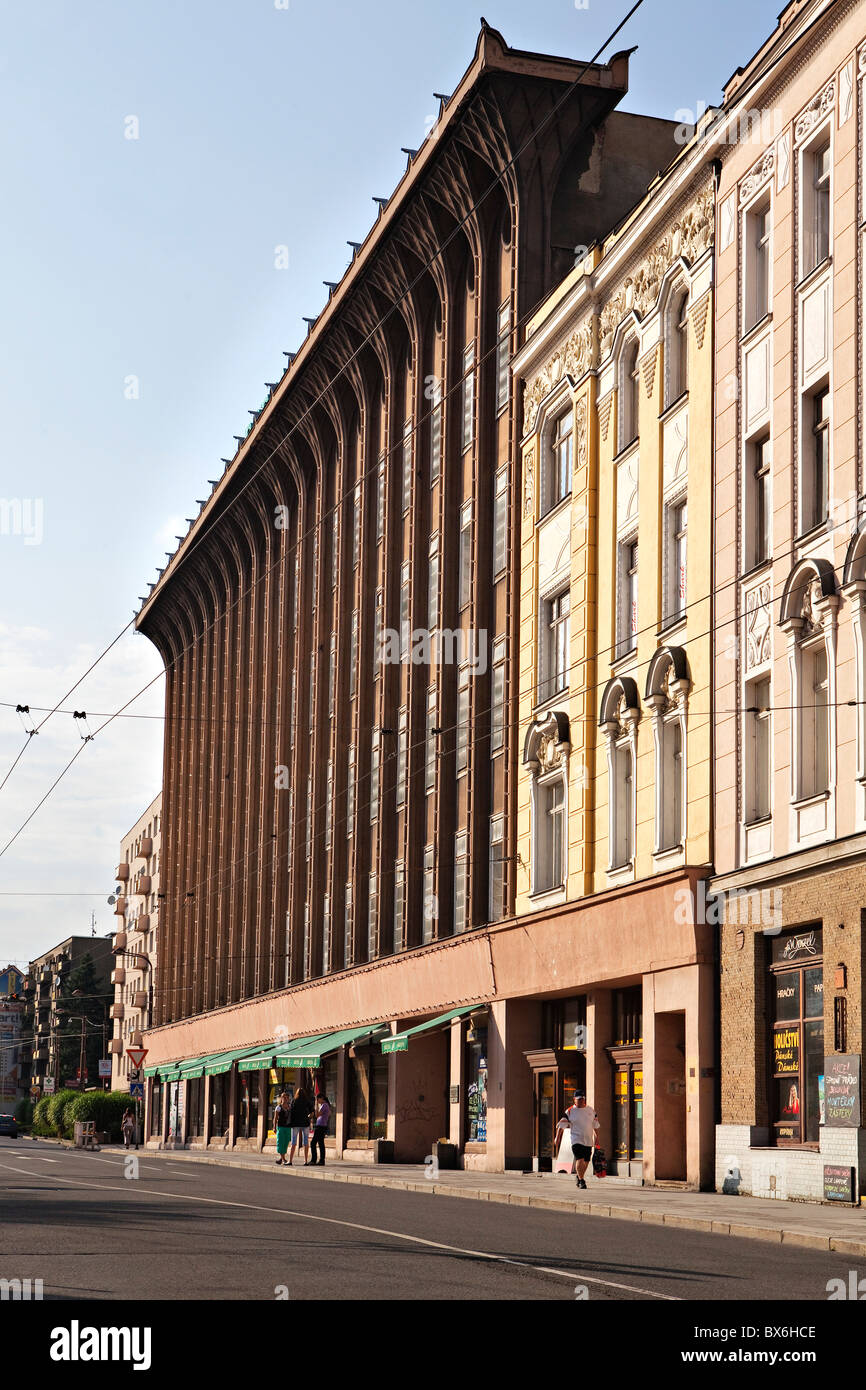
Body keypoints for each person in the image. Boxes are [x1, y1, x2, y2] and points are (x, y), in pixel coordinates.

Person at [555, 1091, 599, 1189]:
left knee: (587, 1161)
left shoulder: (591, 1110)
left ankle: (579, 1177)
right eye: (578, 1099)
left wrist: (597, 1138)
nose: (580, 1101)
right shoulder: (570, 1111)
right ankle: (582, 1181)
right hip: (576, 1139)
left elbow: (595, 1125)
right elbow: (561, 1125)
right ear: (574, 1100)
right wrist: (557, 1137)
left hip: (588, 1140)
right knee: (580, 1159)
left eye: (582, 1099)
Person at [288, 1084, 313, 1166]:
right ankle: (305, 1161)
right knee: (306, 1142)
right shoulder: (307, 1101)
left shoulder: (294, 1101)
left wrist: (290, 1122)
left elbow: (291, 1112)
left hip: (295, 1124)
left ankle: (290, 1160)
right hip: (305, 1123)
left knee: (294, 1142)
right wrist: (308, 1117)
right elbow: (312, 1112)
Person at [310, 1094, 331, 1166]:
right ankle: (321, 1160)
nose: (317, 1101)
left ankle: (314, 1160)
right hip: (321, 1126)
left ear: (322, 1098)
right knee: (321, 1143)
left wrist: (316, 1106)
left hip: (320, 1127)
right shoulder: (325, 1105)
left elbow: (317, 1115)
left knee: (313, 1143)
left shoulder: (324, 1105)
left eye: (317, 1099)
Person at [273, 1091, 292, 1166]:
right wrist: (274, 1127)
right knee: (280, 1143)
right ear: (281, 1098)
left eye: (286, 1097)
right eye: (283, 1097)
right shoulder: (278, 1107)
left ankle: (281, 1159)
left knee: (285, 1143)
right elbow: (275, 1118)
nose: (285, 1098)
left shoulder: (290, 1107)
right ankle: (284, 1159)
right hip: (280, 1127)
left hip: (288, 1127)